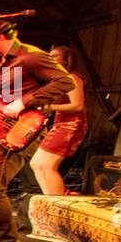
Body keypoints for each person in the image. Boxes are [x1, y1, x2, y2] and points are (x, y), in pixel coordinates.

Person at [0, 20, 76, 242]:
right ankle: (4, 237)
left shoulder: (30, 57)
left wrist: (24, 101)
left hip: (22, 129)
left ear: (0, 37)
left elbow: (65, 82)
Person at [25, 45, 89, 195]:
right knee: (37, 164)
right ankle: (52, 197)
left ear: (67, 60)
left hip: (71, 125)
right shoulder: (60, 79)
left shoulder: (72, 78)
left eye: (55, 56)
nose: (50, 59)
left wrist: (50, 107)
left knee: (47, 165)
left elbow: (77, 105)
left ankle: (57, 200)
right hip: (61, 124)